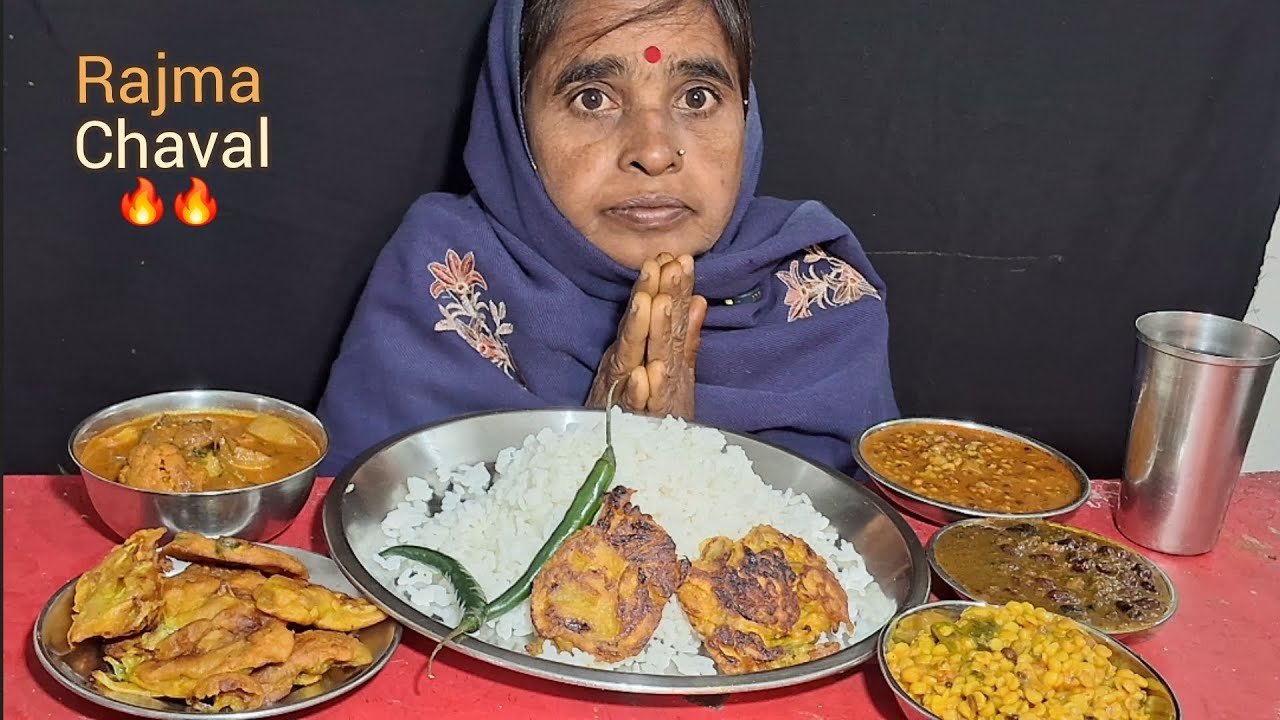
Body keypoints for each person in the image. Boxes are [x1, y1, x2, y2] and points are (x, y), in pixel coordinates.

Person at [316, 0, 898, 477]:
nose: (651, 151)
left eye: (697, 97)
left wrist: (681, 470)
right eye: (592, 99)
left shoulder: (817, 296)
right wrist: (587, 463)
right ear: (515, 122)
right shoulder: (447, 277)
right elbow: (371, 549)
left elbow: (870, 566)